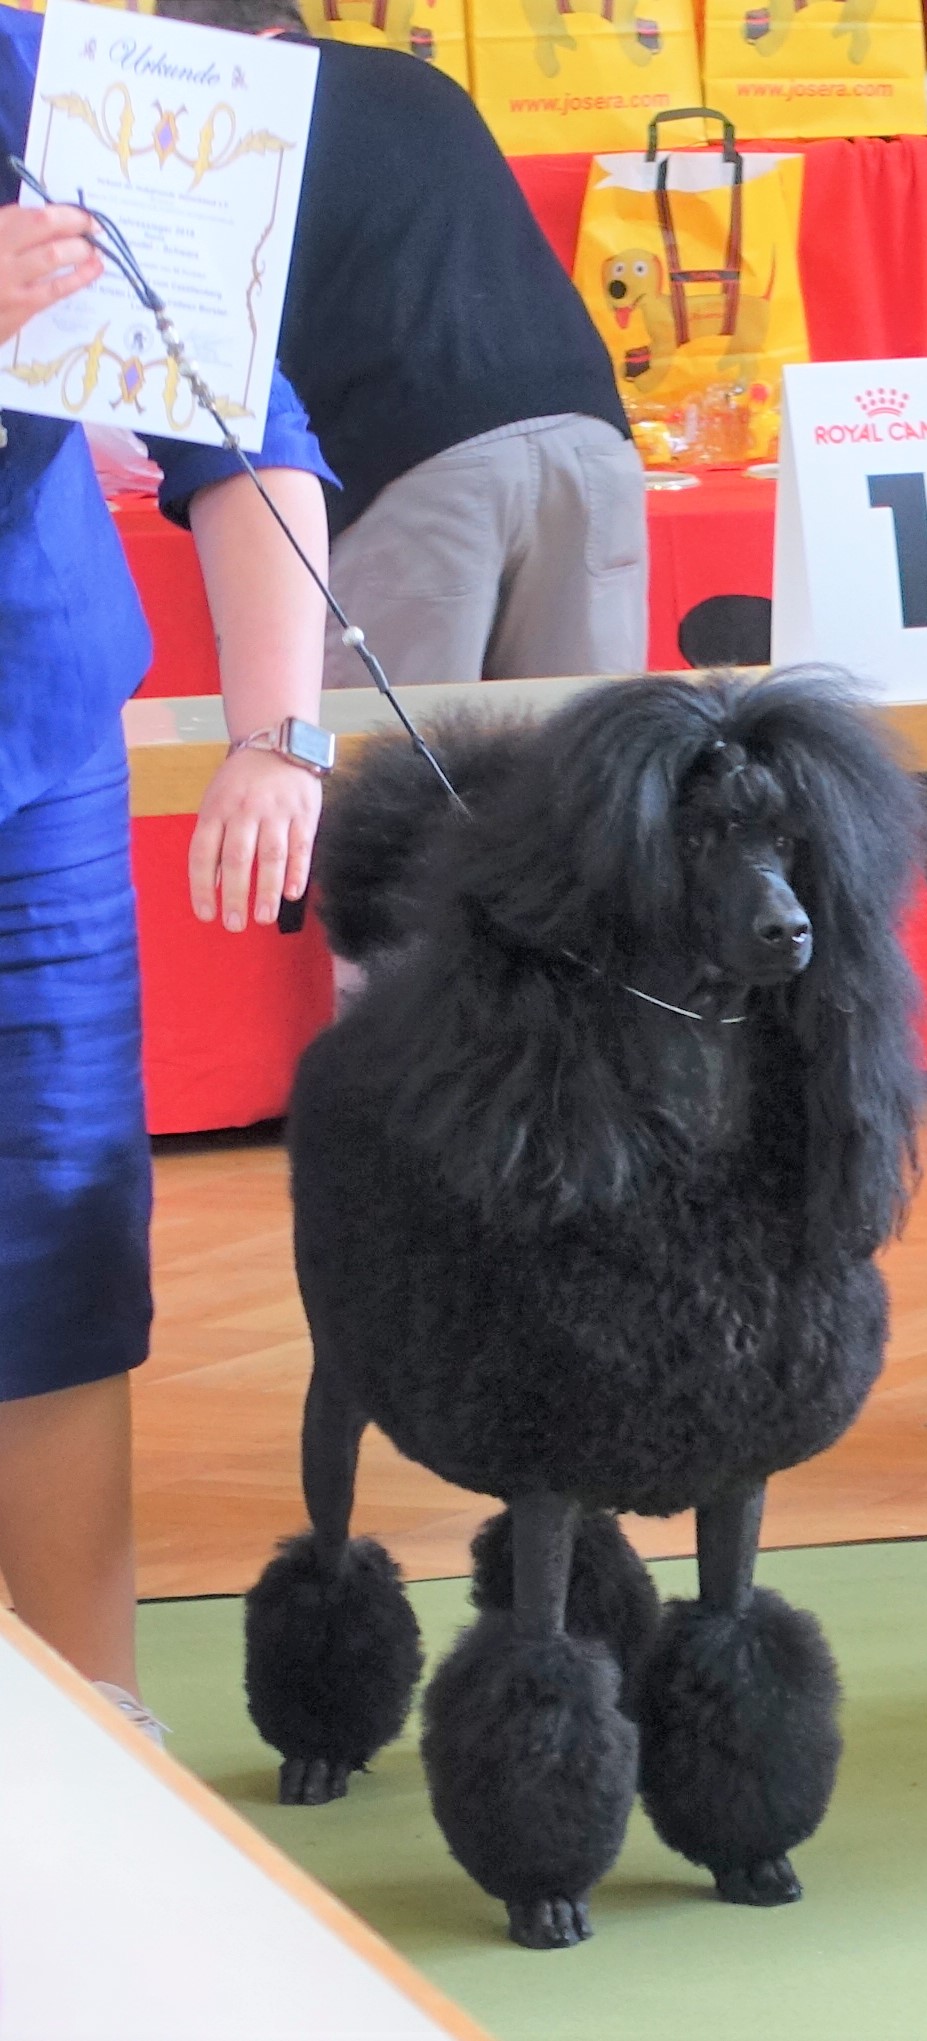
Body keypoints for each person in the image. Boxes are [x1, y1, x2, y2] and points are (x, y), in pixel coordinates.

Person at [0, 14, 334, 1737]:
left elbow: (237, 415)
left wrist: (282, 732)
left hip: (32, 748)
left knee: (56, 1223)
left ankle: (88, 1733)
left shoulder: (61, 76)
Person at [157, 0, 646, 693]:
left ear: (186, 42)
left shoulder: (220, 109)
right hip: (588, 433)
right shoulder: (418, 82)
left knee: (400, 774)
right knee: (588, 771)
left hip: (414, 458)